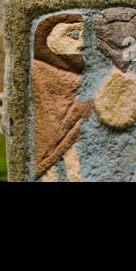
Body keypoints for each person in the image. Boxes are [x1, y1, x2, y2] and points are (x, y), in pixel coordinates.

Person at [31, 13, 92, 181]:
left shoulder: (70, 71)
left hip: (67, 130)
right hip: (50, 130)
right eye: (73, 35)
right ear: (48, 38)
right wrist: (84, 108)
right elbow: (54, 110)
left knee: (73, 166)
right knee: (51, 170)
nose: (80, 43)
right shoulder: (40, 71)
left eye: (81, 36)